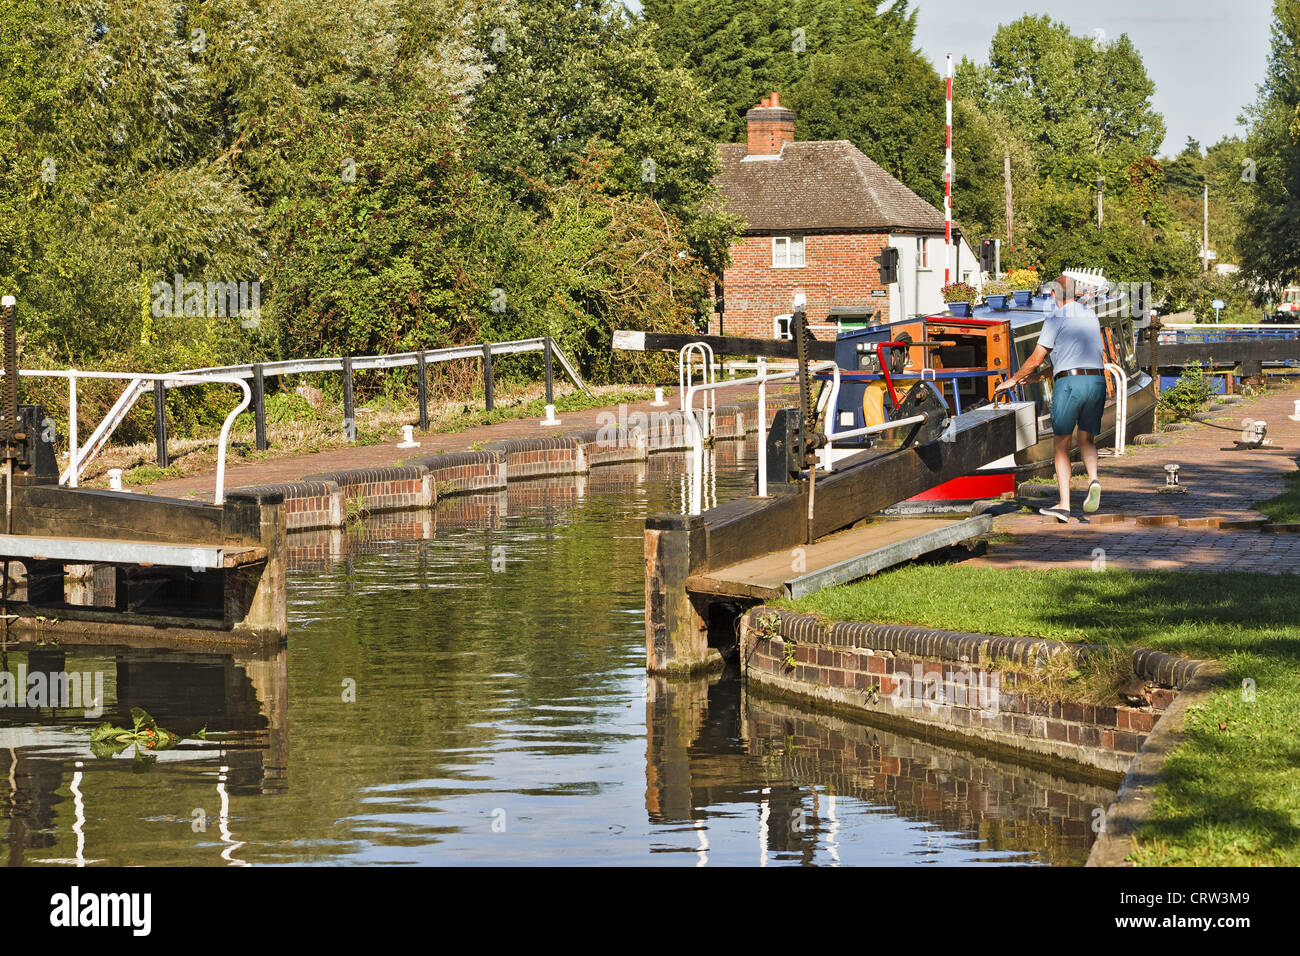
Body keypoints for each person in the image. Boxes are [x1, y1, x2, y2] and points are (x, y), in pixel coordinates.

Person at [994, 276, 1105, 522]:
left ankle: (1064, 505)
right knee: (1086, 438)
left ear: (1054, 295)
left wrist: (1013, 379)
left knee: (1061, 445)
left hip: (1070, 386)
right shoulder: (1090, 315)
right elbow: (1074, 358)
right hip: (1097, 381)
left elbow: (1036, 357)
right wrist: (1040, 377)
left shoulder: (1056, 317)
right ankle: (1094, 479)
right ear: (1075, 294)